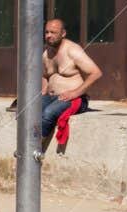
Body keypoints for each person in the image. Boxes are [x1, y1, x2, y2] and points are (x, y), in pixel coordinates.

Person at [41, 18, 100, 148]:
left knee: (48, 113)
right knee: (29, 109)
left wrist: (75, 93)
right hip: (52, 97)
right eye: (46, 32)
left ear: (63, 33)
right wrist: (43, 93)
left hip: (74, 99)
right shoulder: (46, 53)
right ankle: (27, 144)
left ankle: (33, 148)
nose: (49, 35)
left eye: (53, 32)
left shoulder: (72, 50)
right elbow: (45, 76)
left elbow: (95, 73)